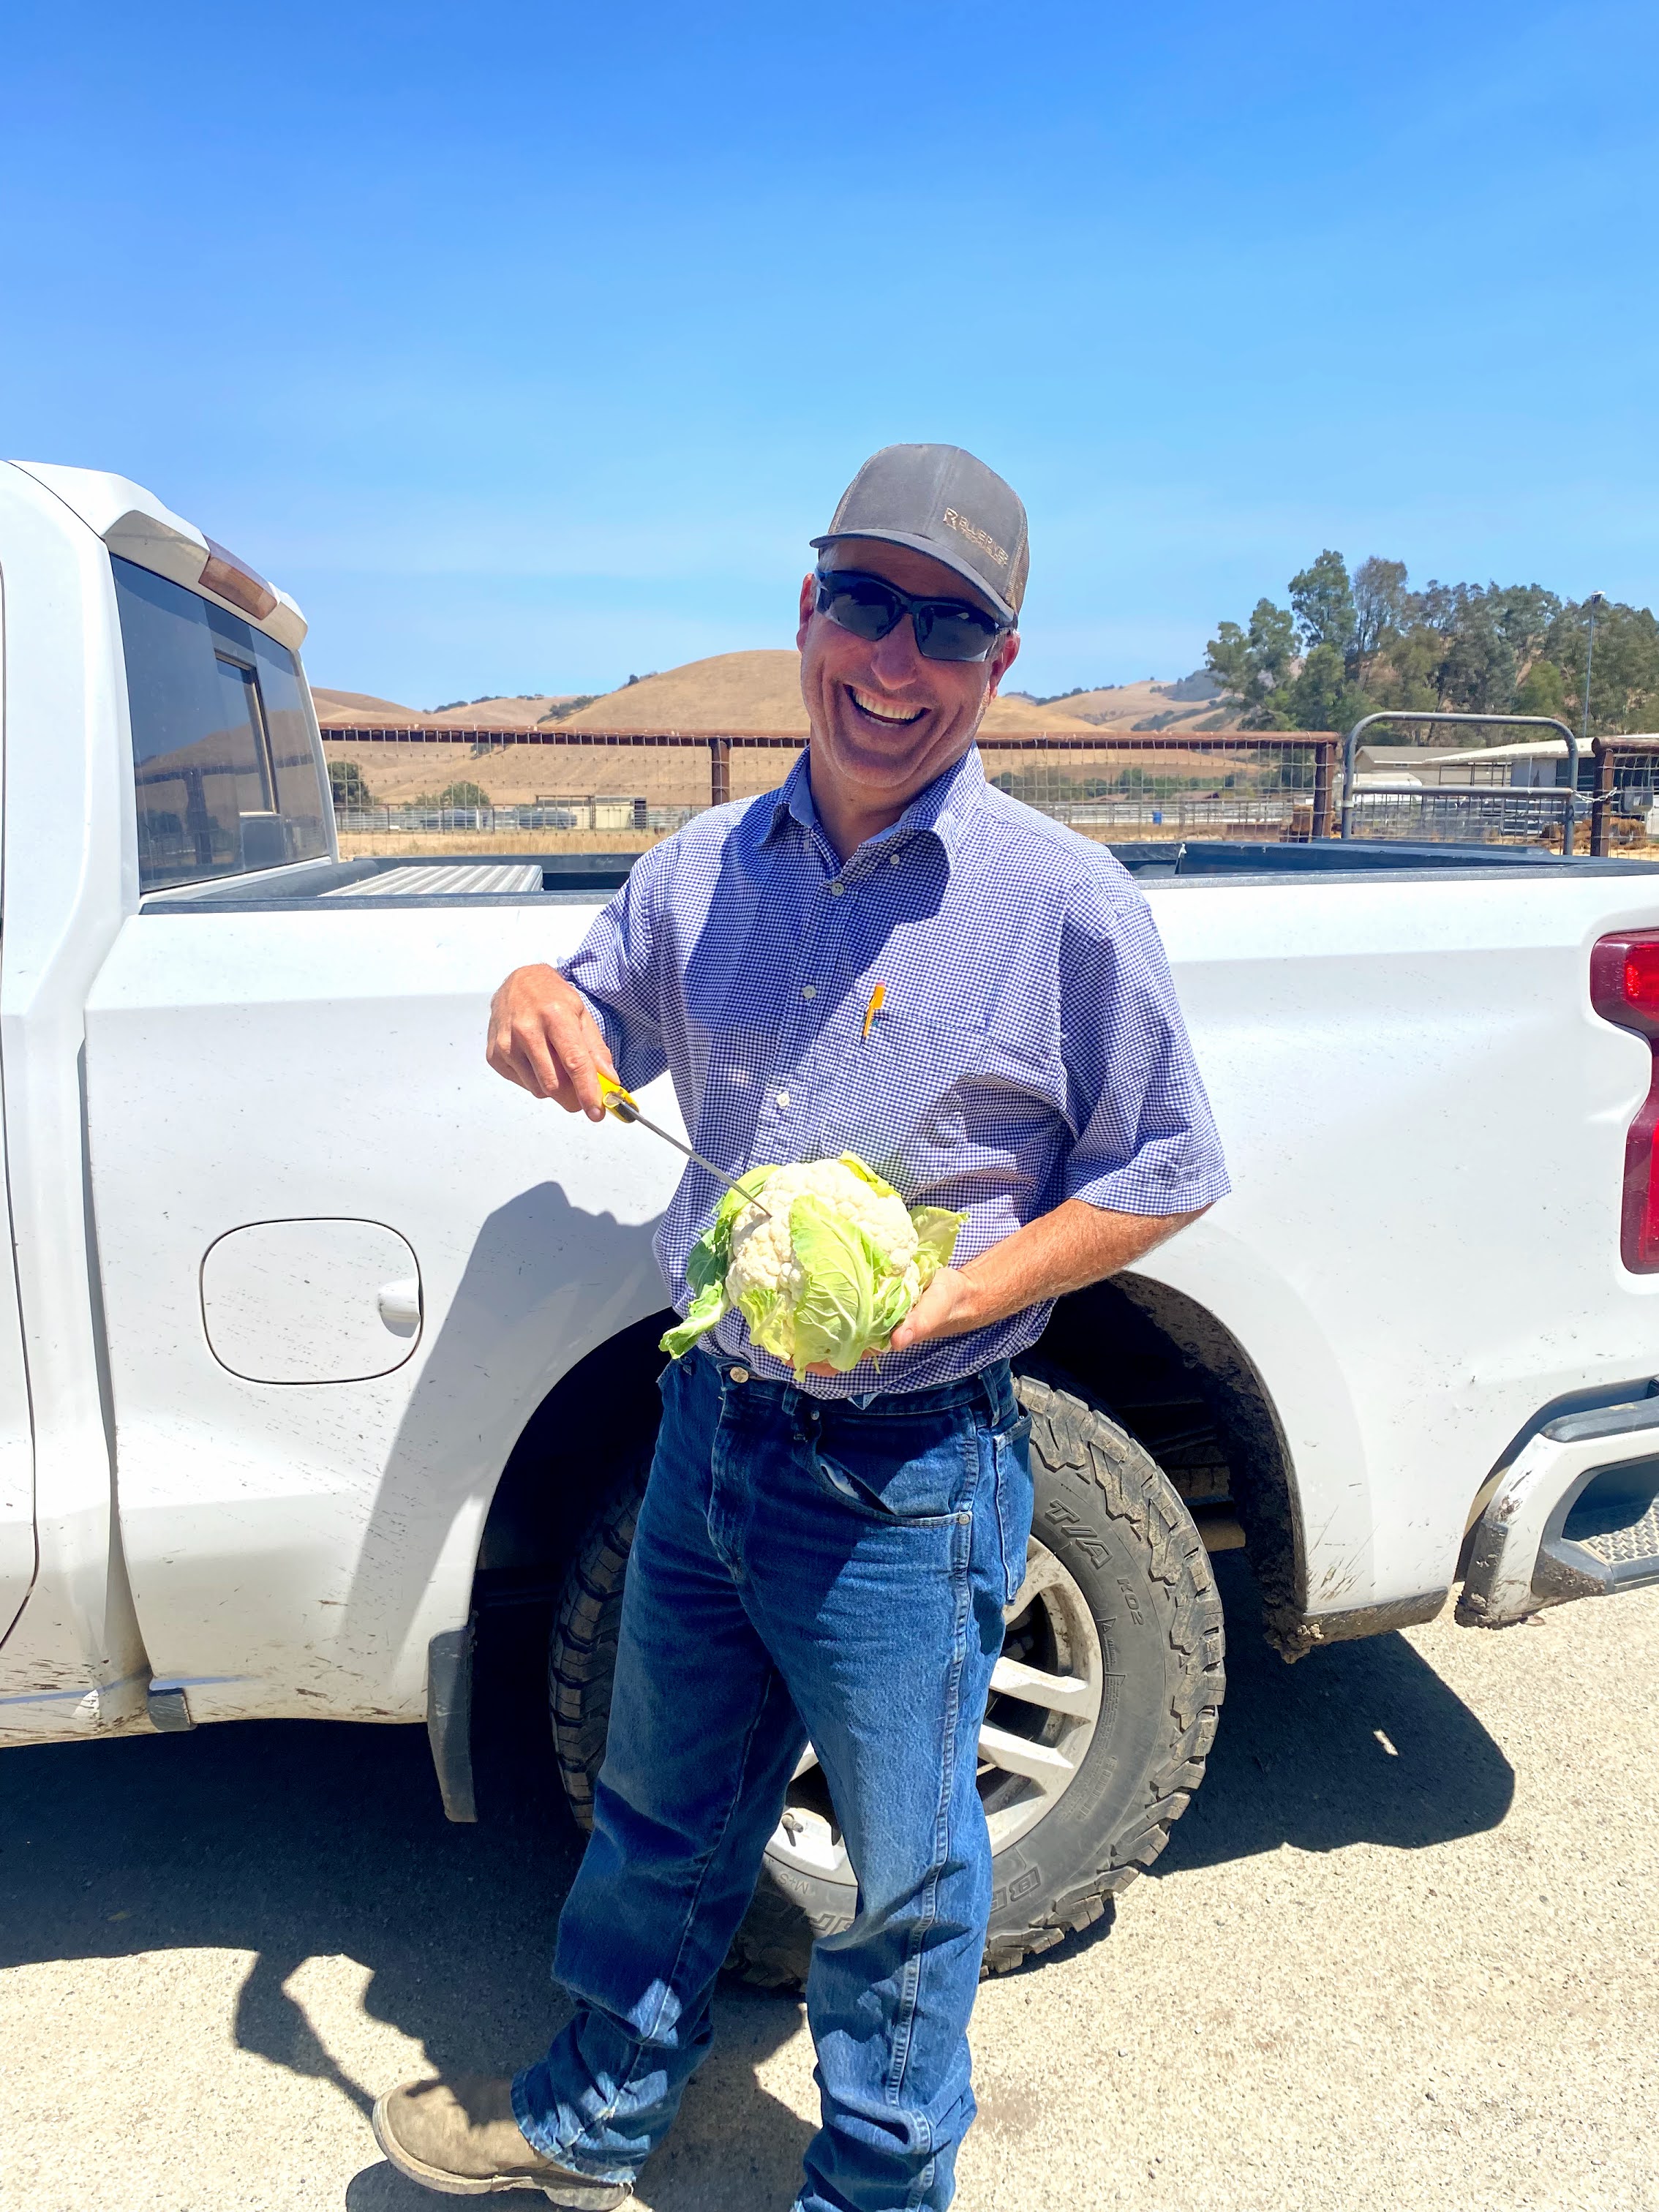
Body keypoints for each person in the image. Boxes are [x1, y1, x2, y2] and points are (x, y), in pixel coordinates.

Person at [373, 444, 1230, 2211]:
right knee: (662, 1809)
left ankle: (879, 2180)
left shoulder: (1064, 905)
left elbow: (1169, 1167)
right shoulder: (702, 866)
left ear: (1000, 662)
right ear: (807, 611)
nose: (893, 662)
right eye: (865, 602)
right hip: (713, 1435)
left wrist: (962, 1293)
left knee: (908, 1886)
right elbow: (587, 999)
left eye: (949, 625)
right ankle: (600, 2113)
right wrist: (530, 993)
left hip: (912, 1481)